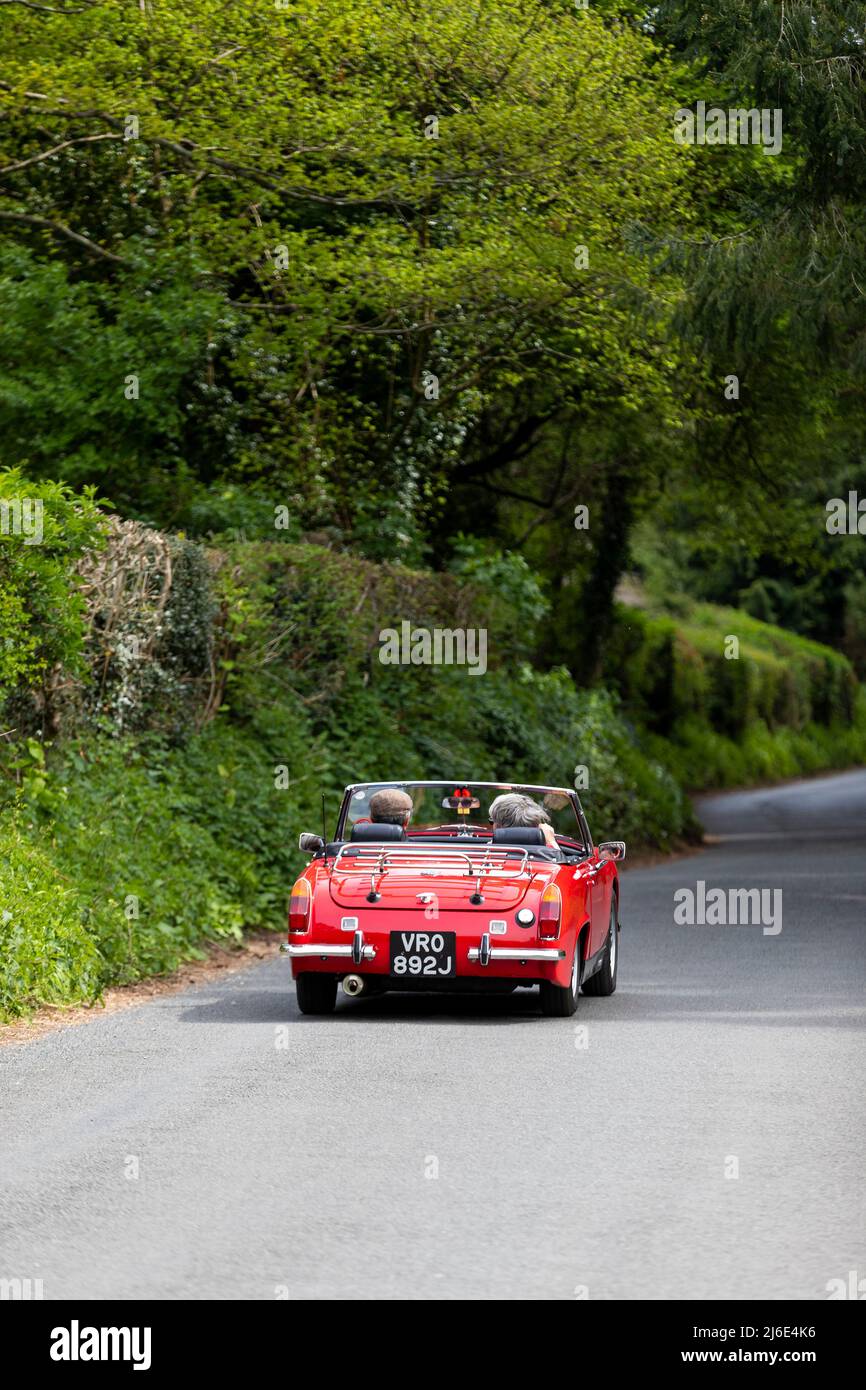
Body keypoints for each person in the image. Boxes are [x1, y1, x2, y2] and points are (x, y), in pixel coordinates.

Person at [488, 792, 558, 848]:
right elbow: (560, 862)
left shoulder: (485, 853)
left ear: (498, 826)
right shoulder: (548, 856)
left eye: (492, 822)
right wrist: (551, 840)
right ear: (536, 826)